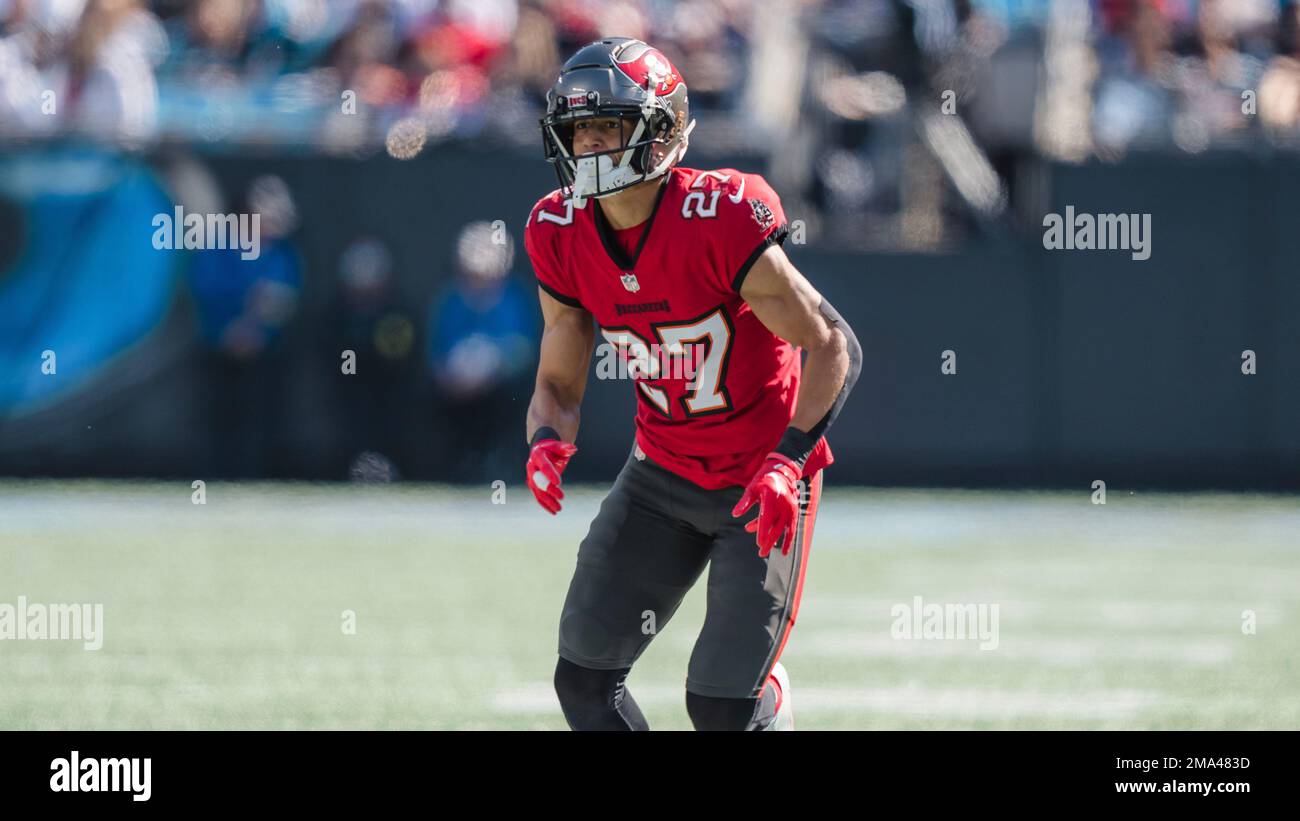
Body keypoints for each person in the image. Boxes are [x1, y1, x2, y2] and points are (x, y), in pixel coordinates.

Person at [522, 38, 862, 731]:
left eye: (606, 127)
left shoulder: (722, 215)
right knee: (583, 681)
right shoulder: (556, 229)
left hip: (758, 479)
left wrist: (789, 459)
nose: (587, 146)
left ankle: (770, 707)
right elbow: (559, 371)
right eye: (578, 128)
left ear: (661, 132)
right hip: (661, 477)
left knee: (719, 706)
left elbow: (831, 342)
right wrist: (545, 438)